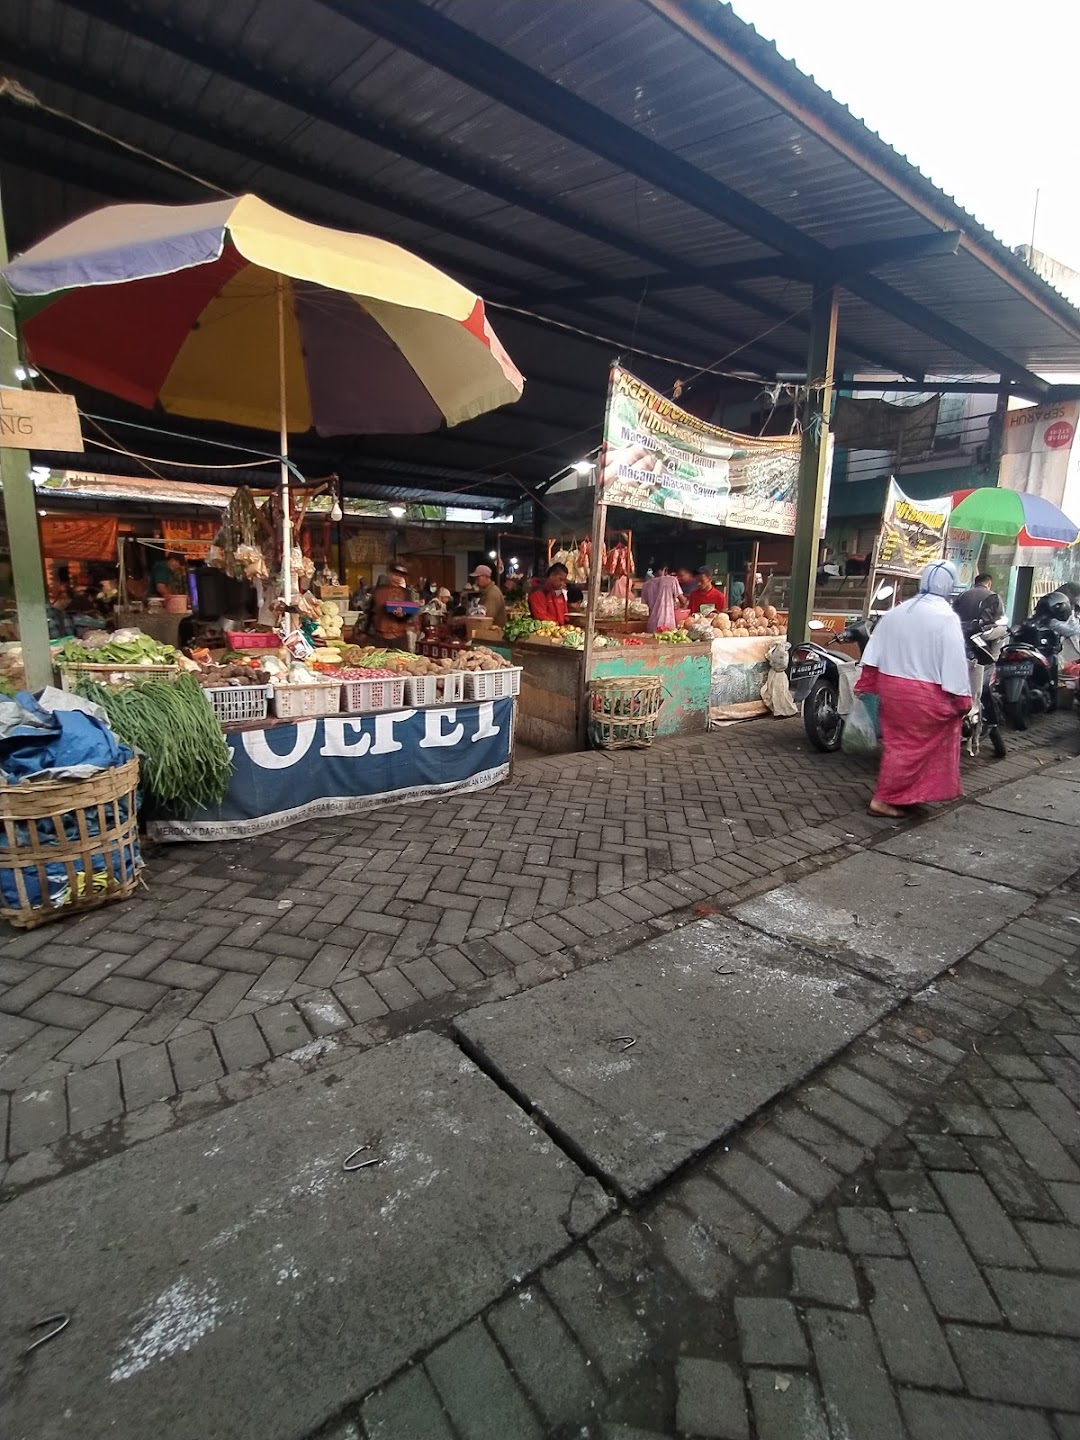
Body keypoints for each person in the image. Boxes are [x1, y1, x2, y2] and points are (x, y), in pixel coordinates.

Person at [855, 559, 970, 819]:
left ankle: (905, 795)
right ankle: (884, 799)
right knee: (912, 747)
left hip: (891, 688)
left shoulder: (897, 612)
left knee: (899, 744)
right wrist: (962, 699)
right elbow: (954, 663)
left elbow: (873, 654)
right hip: (924, 694)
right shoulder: (946, 618)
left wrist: (867, 684)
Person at [368, 570, 414, 651]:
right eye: (395, 575)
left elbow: (410, 613)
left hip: (399, 637)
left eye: (400, 576)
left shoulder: (406, 593)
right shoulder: (377, 592)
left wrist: (403, 615)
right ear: (389, 575)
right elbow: (369, 612)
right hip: (380, 637)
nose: (398, 578)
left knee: (402, 661)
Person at [640, 564, 683, 634]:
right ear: (665, 569)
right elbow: (682, 600)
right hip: (667, 623)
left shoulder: (646, 585)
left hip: (652, 623)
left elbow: (646, 604)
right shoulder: (671, 580)